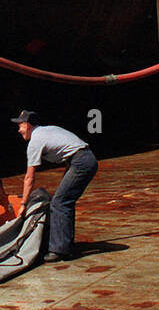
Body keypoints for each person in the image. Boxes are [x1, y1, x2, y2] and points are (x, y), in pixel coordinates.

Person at [13, 110, 97, 261]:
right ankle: (65, 245)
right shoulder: (48, 130)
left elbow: (29, 177)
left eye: (20, 126)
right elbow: (69, 150)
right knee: (64, 200)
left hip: (81, 161)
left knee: (59, 202)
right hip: (84, 159)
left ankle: (59, 250)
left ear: (28, 124)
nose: (18, 130)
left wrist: (23, 204)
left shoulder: (35, 141)